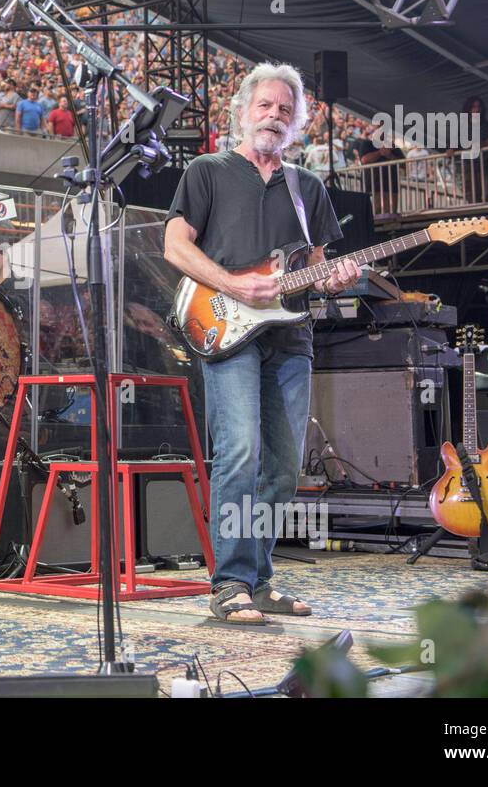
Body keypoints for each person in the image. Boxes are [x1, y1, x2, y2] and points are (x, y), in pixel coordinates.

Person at [163, 62, 359, 624]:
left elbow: (318, 269)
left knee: (282, 468)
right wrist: (231, 282)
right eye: (265, 105)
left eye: (285, 109)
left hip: (291, 336)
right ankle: (229, 584)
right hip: (226, 329)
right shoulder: (207, 171)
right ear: (242, 112)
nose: (274, 115)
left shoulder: (308, 188)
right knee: (241, 453)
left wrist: (334, 277)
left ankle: (258, 578)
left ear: (297, 122)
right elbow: (175, 244)